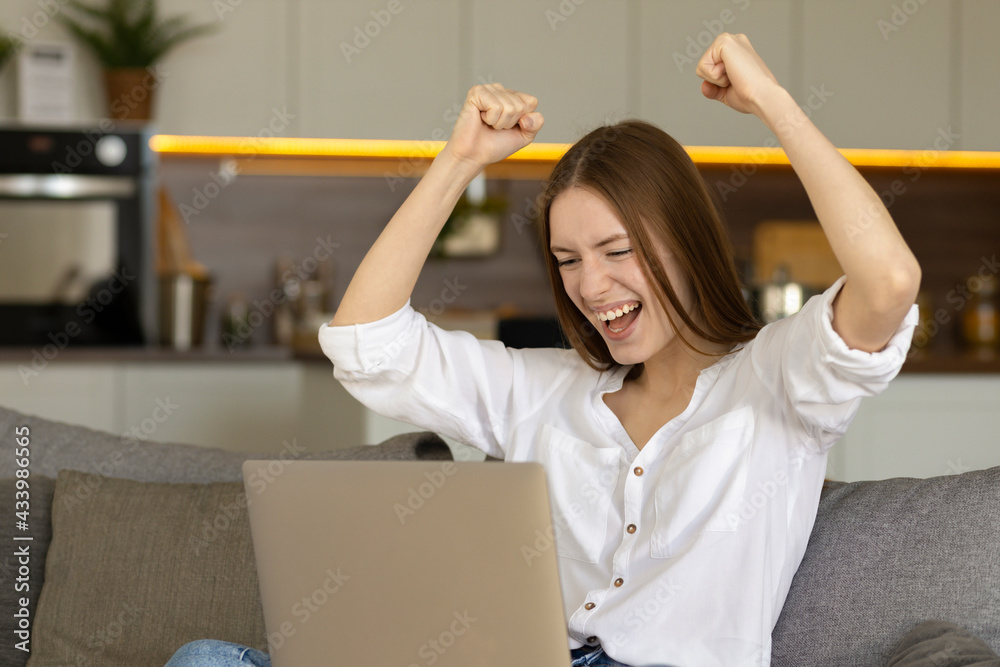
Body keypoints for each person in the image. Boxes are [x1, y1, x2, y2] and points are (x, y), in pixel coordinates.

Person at [164, 33, 920, 667]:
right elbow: (365, 344)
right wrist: (459, 162)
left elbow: (888, 280)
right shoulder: (546, 388)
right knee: (205, 660)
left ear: (688, 243)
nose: (592, 286)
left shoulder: (780, 380)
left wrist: (774, 105)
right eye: (567, 259)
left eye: (616, 249)